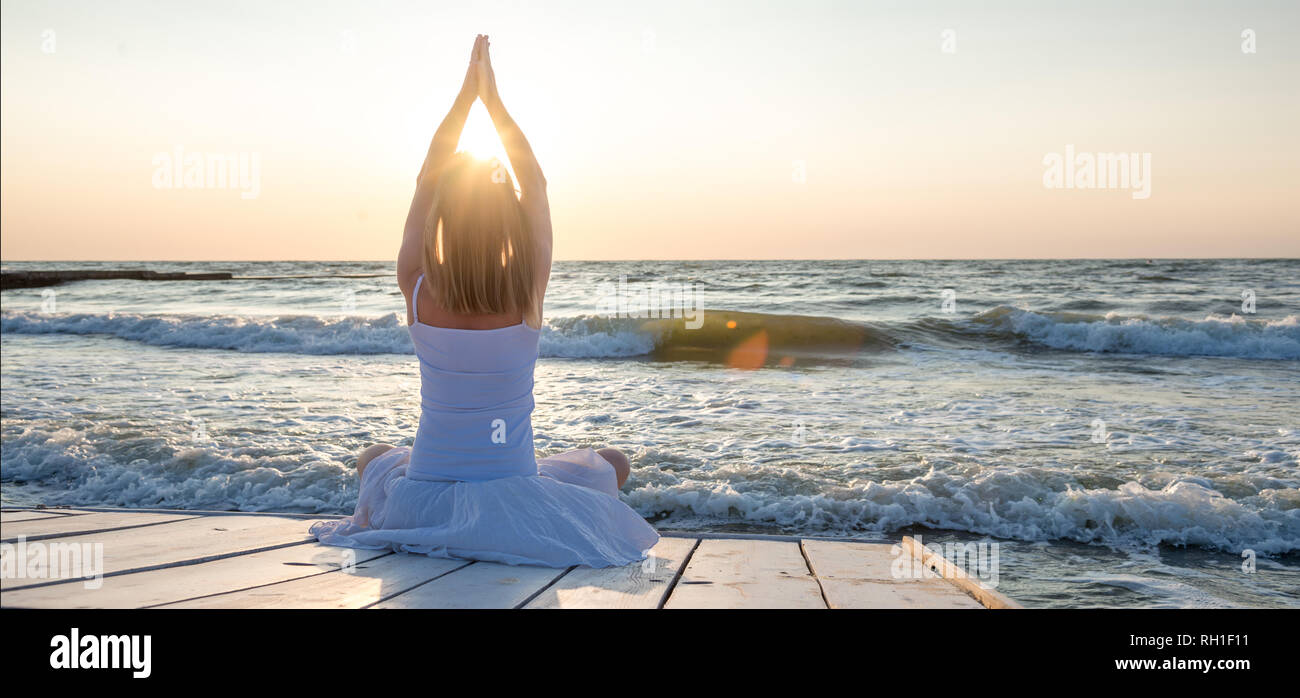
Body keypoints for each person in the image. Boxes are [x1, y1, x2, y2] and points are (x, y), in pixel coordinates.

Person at [311, 35, 658, 568]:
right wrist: (492, 101)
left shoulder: (419, 288)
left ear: (442, 218)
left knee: (373, 458)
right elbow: (536, 184)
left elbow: (427, 179)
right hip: (513, 488)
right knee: (612, 461)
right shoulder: (528, 293)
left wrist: (464, 99)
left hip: (422, 492)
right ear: (508, 222)